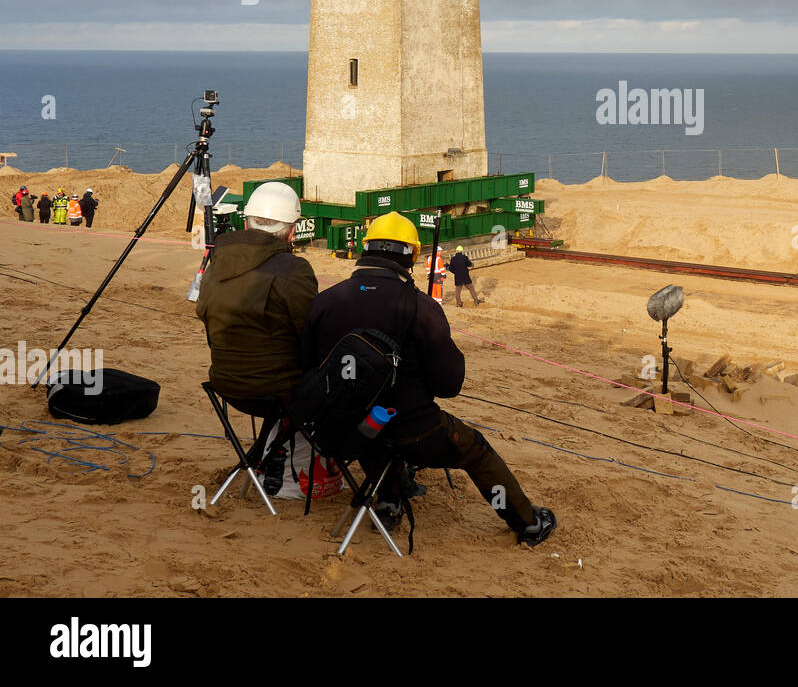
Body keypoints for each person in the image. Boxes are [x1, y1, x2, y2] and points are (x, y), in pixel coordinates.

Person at [306, 212, 556, 546]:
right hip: (412, 429)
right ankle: (527, 523)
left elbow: (311, 367)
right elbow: (448, 386)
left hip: (345, 431)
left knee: (377, 429)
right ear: (411, 256)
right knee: (475, 450)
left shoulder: (325, 301)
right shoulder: (420, 308)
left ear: (365, 250)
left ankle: (388, 500)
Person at [195, 181, 318, 406]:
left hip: (225, 383)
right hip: (277, 390)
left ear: (245, 224)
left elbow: (205, 318)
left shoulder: (216, 265)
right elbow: (310, 333)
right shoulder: (294, 269)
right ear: (292, 232)